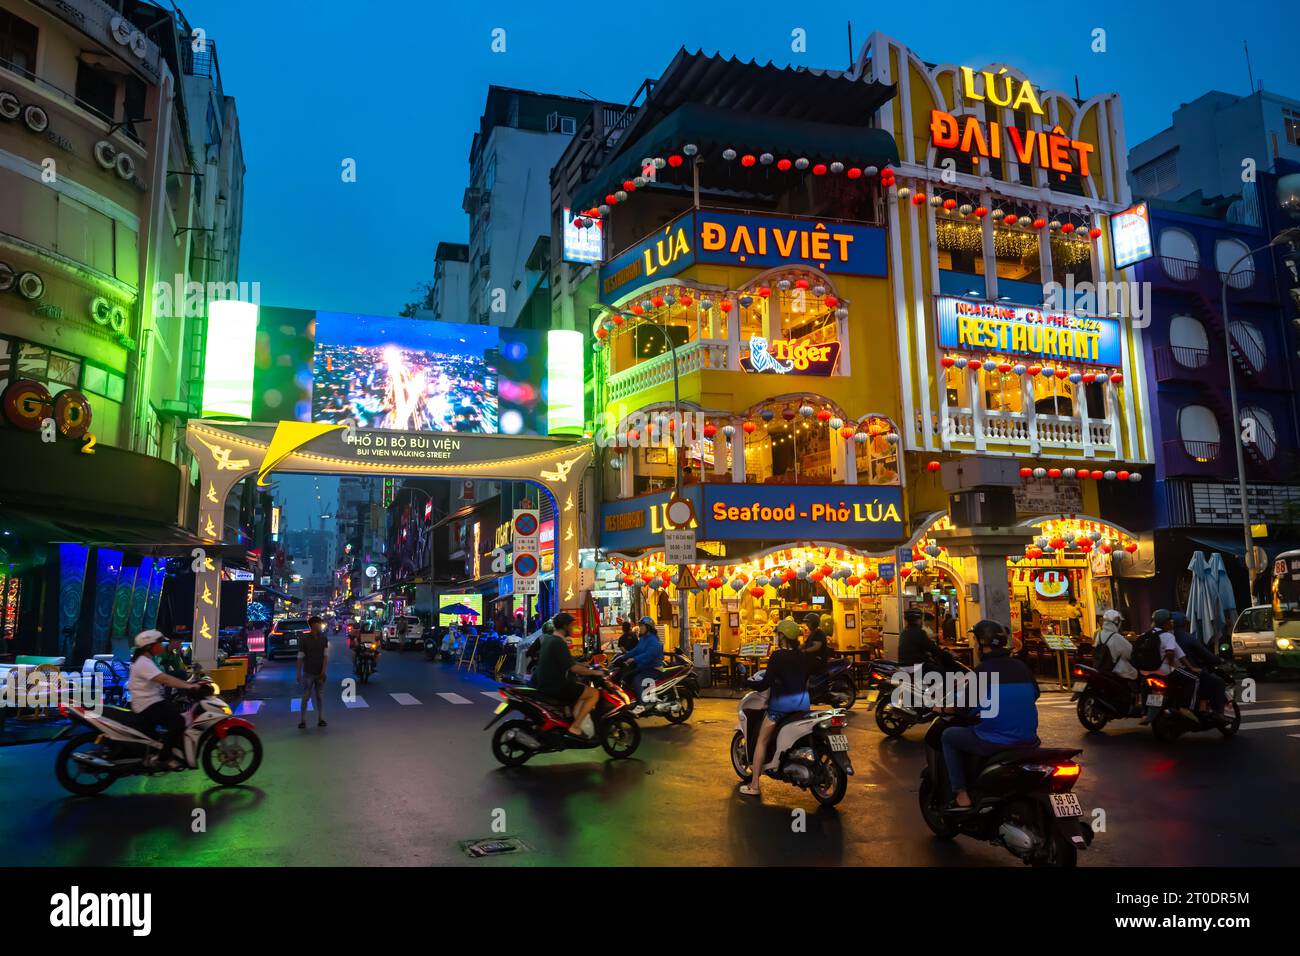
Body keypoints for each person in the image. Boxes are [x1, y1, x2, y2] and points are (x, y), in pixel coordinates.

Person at [940, 620, 1040, 810]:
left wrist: (942, 709)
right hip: (1030, 739)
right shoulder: (1022, 668)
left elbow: (964, 709)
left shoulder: (982, 672)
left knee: (949, 736)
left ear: (982, 645)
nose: (975, 646)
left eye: (976, 641)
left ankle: (961, 795)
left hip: (996, 740)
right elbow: (1034, 695)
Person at [740, 618, 810, 797]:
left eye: (778, 634)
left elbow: (765, 684)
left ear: (783, 636)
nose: (777, 637)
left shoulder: (777, 656)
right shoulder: (803, 656)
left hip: (780, 708)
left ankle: (754, 785)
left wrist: (747, 682)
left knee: (761, 742)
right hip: (803, 705)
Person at [129, 630, 199, 768]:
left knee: (173, 717)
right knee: (178, 722)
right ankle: (163, 758)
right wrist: (188, 686)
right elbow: (164, 678)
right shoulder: (143, 662)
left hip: (151, 701)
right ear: (150, 646)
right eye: (159, 642)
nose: (161, 645)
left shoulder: (146, 660)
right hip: (147, 704)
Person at [531, 612, 603, 737]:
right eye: (571, 625)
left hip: (545, 682)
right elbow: (572, 668)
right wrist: (595, 672)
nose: (573, 628)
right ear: (564, 626)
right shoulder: (559, 643)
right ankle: (575, 727)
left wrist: (584, 665)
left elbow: (568, 662)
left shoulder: (549, 639)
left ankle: (573, 714)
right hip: (556, 686)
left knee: (579, 688)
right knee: (593, 693)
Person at [1172, 611, 1228, 723]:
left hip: (1170, 672)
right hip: (1186, 671)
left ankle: (1201, 707)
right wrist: (1218, 660)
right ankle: (1218, 713)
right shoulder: (1187, 638)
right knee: (1218, 682)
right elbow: (1205, 654)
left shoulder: (1165, 637)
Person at [297, 615, 329, 730]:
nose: (320, 625)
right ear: (314, 625)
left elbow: (325, 656)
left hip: (320, 672)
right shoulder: (304, 640)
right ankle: (303, 720)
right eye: (319, 623)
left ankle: (320, 718)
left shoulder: (324, 639)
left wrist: (323, 671)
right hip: (308, 672)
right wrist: (298, 673)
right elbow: (300, 657)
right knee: (306, 696)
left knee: (319, 696)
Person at [623, 616, 664, 706]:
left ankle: (642, 705)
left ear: (648, 627)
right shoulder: (643, 638)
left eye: (642, 626)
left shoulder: (653, 640)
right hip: (644, 667)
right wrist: (625, 655)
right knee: (627, 676)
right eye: (640, 625)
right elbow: (636, 650)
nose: (640, 628)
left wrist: (634, 659)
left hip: (654, 669)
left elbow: (649, 655)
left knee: (637, 680)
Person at [801, 611, 831, 675]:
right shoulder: (813, 633)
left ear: (814, 623)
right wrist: (796, 648)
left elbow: (816, 647)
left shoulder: (819, 633)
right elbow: (805, 644)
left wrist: (804, 651)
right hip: (812, 660)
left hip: (818, 660)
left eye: (808, 623)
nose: (807, 625)